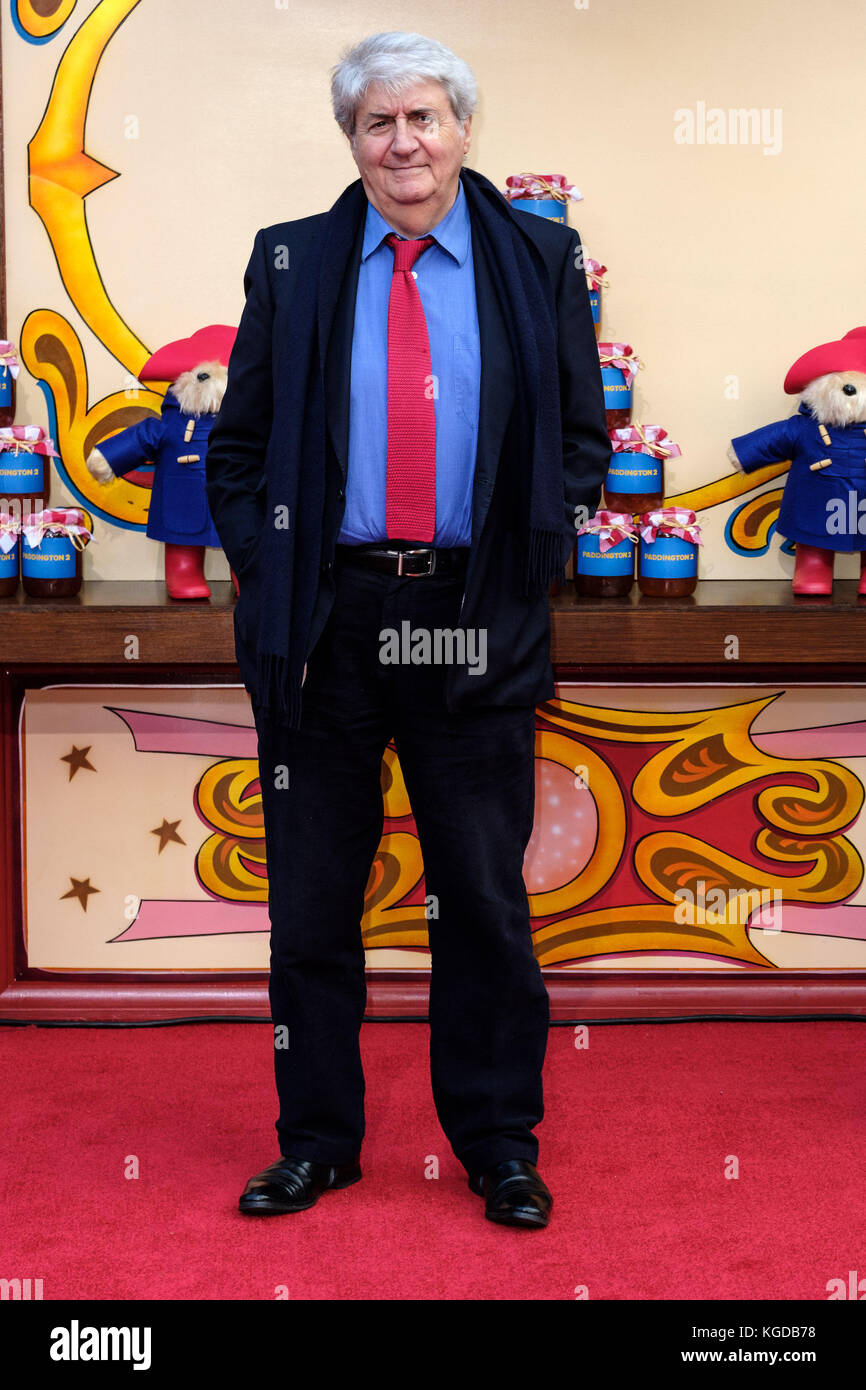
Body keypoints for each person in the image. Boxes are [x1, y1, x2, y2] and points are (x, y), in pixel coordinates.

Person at [205, 30, 610, 1229]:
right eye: (377, 123)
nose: (403, 143)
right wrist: (266, 563)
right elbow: (238, 449)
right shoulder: (292, 261)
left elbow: (580, 441)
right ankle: (317, 1140)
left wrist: (511, 556)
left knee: (480, 896)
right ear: (351, 140)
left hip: (468, 612)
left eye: (423, 118)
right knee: (312, 902)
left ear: (462, 129)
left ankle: (497, 1142)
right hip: (327, 618)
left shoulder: (536, 256)